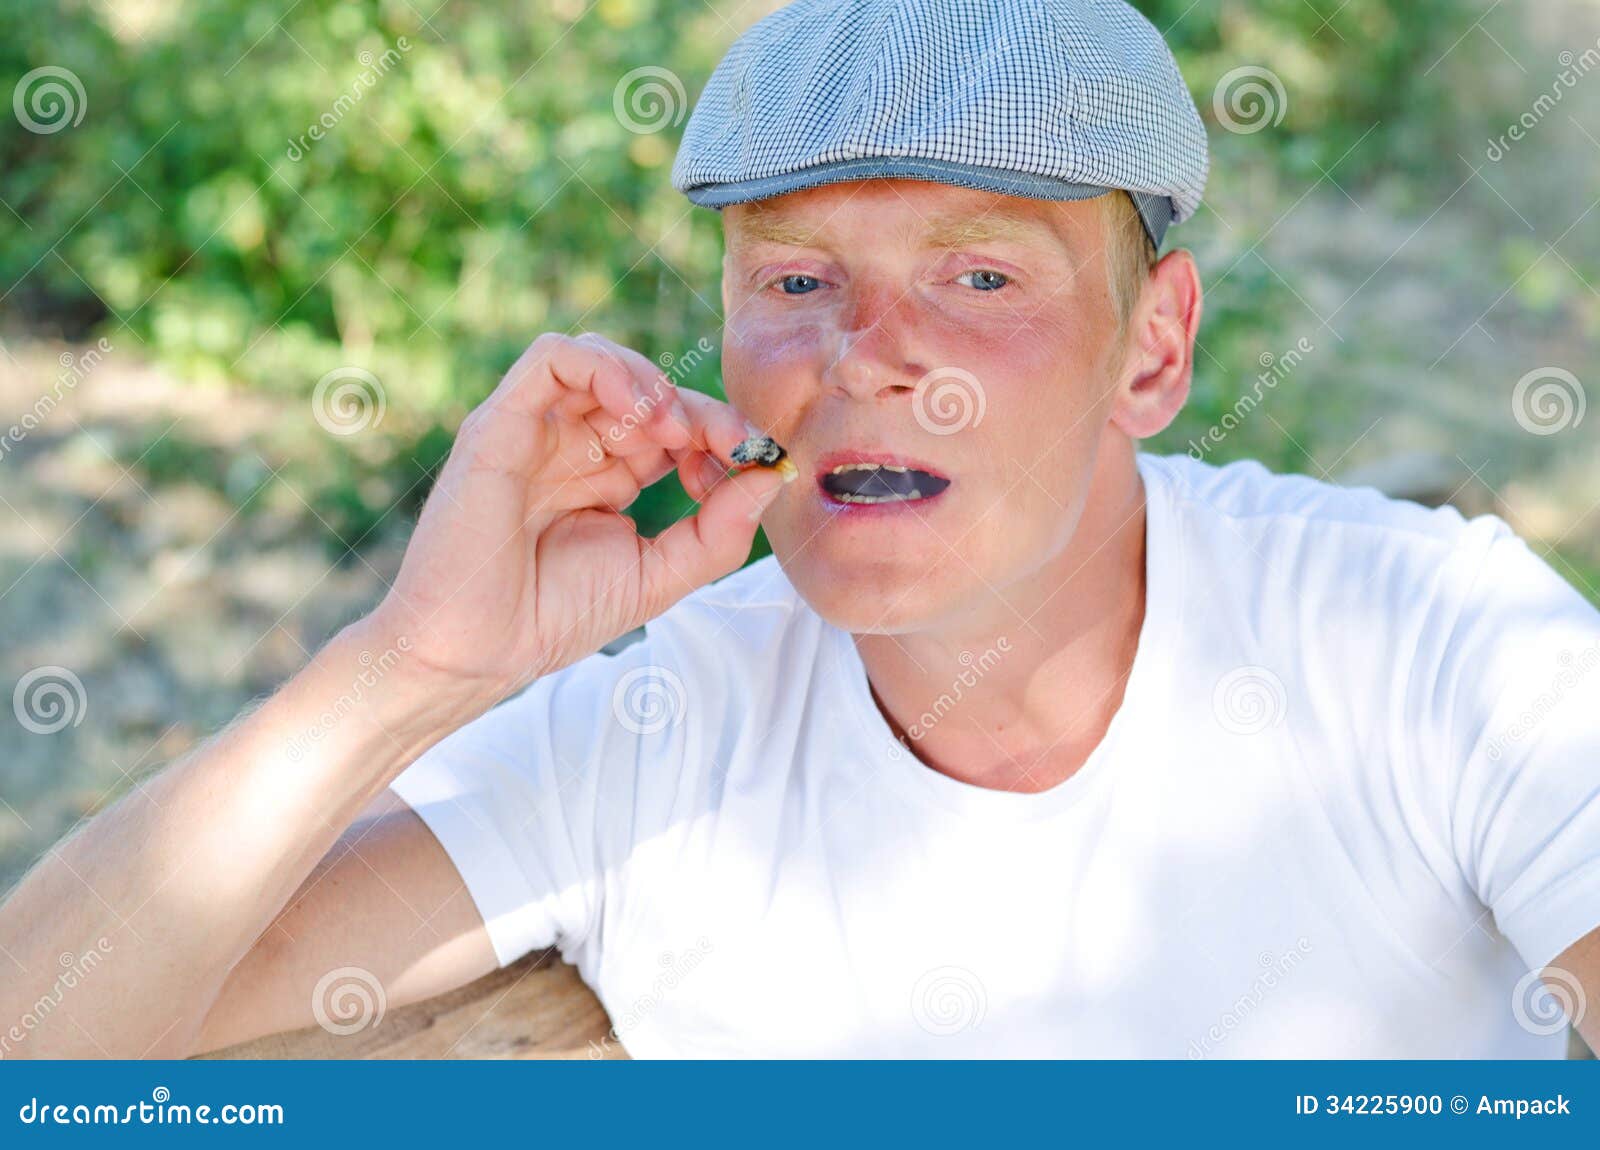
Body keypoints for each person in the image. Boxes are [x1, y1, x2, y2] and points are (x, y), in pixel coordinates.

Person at [3, 0, 1597, 1059]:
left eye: (978, 277)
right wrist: (411, 665)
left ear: (1155, 350)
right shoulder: (657, 724)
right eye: (794, 280)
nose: (865, 354)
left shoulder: (1427, 645)